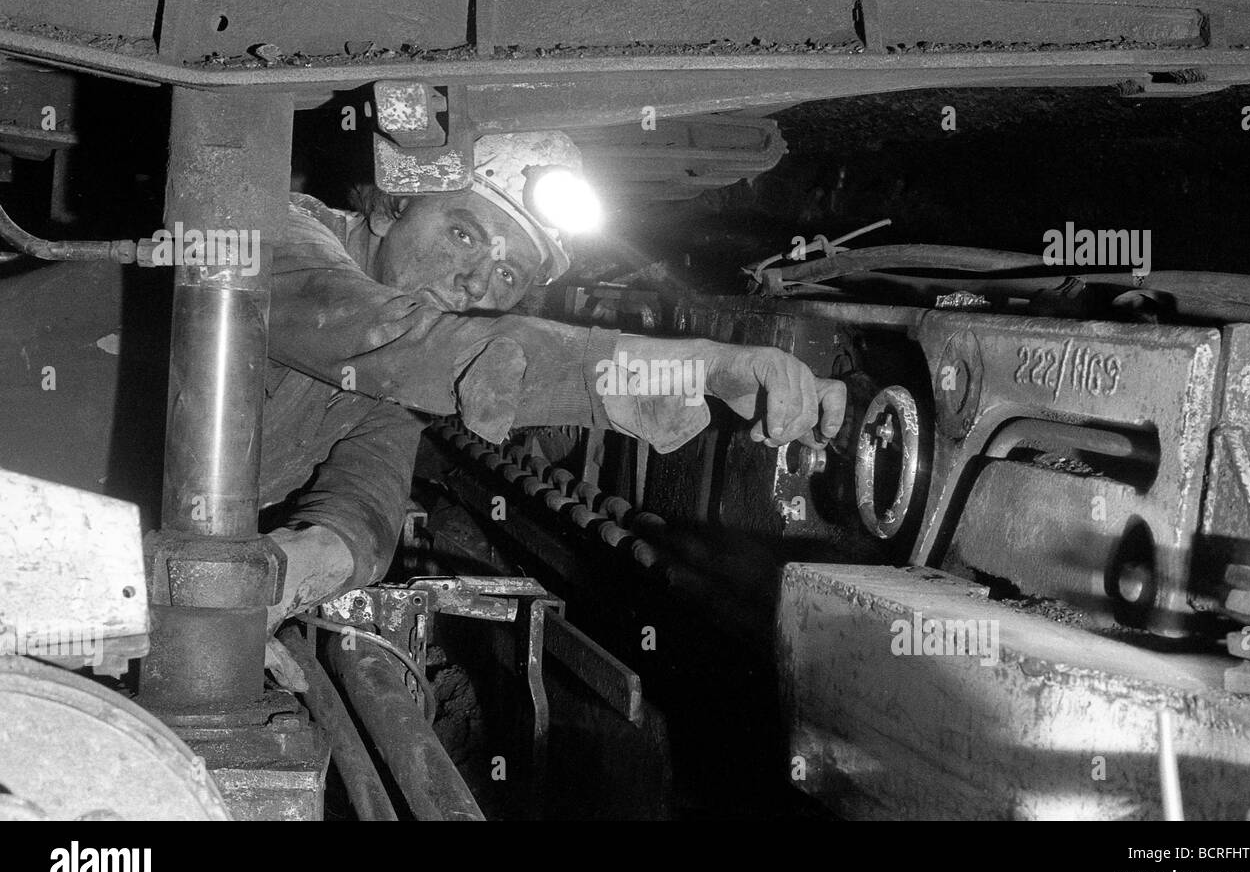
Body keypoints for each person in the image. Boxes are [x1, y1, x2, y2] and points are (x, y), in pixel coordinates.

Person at [260, 130, 847, 636]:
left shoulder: (394, 385)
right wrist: (703, 369)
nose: (475, 284)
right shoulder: (279, 236)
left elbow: (368, 495)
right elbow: (405, 344)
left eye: (508, 273)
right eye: (463, 235)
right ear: (392, 208)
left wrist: (287, 574)